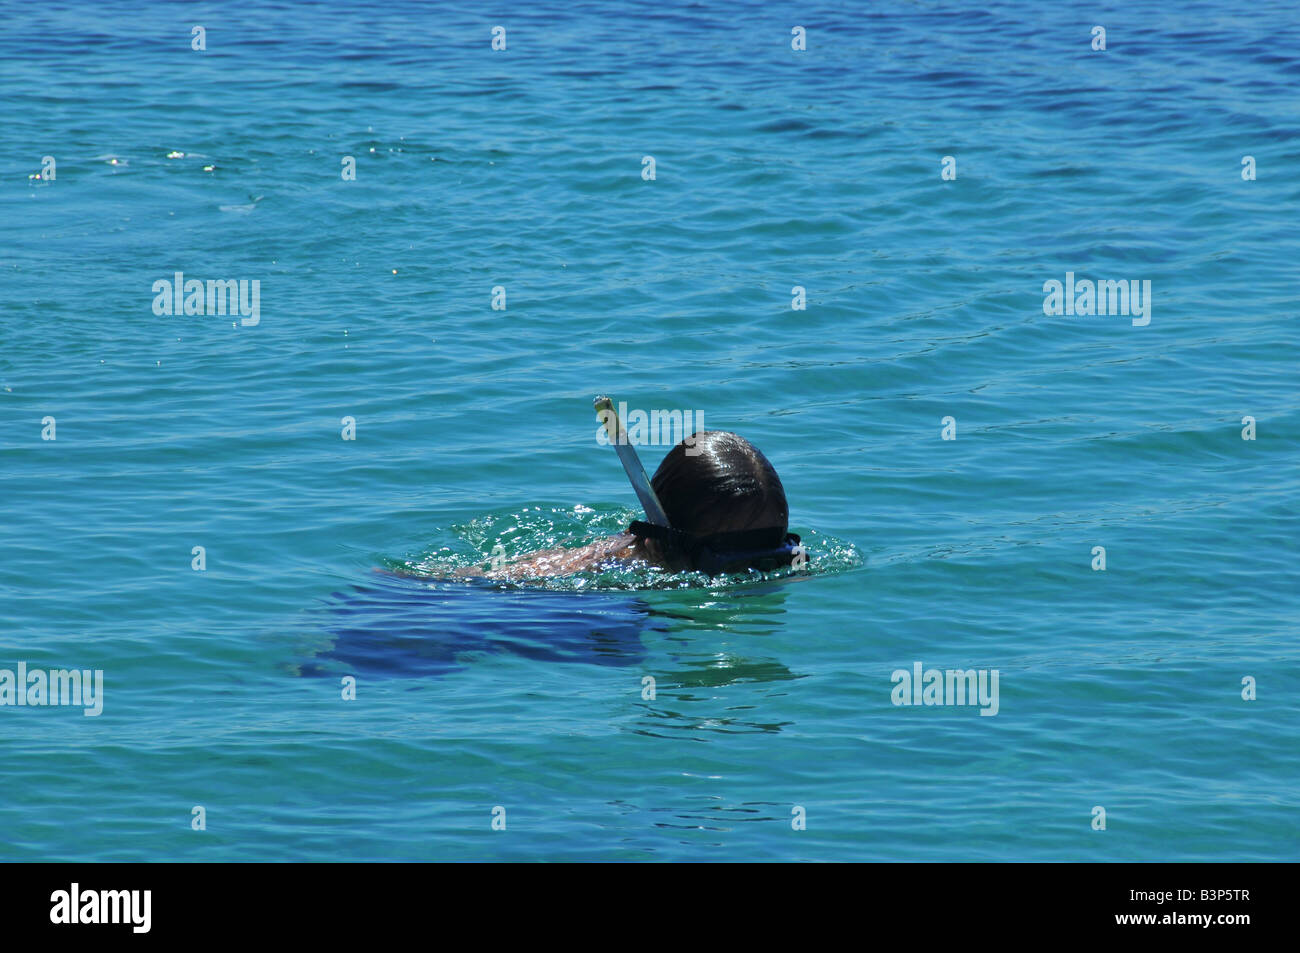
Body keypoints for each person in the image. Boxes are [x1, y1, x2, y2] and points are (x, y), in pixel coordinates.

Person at [469, 430, 800, 580]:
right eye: (727, 564)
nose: (751, 577)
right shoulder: (574, 593)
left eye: (772, 561)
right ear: (657, 544)